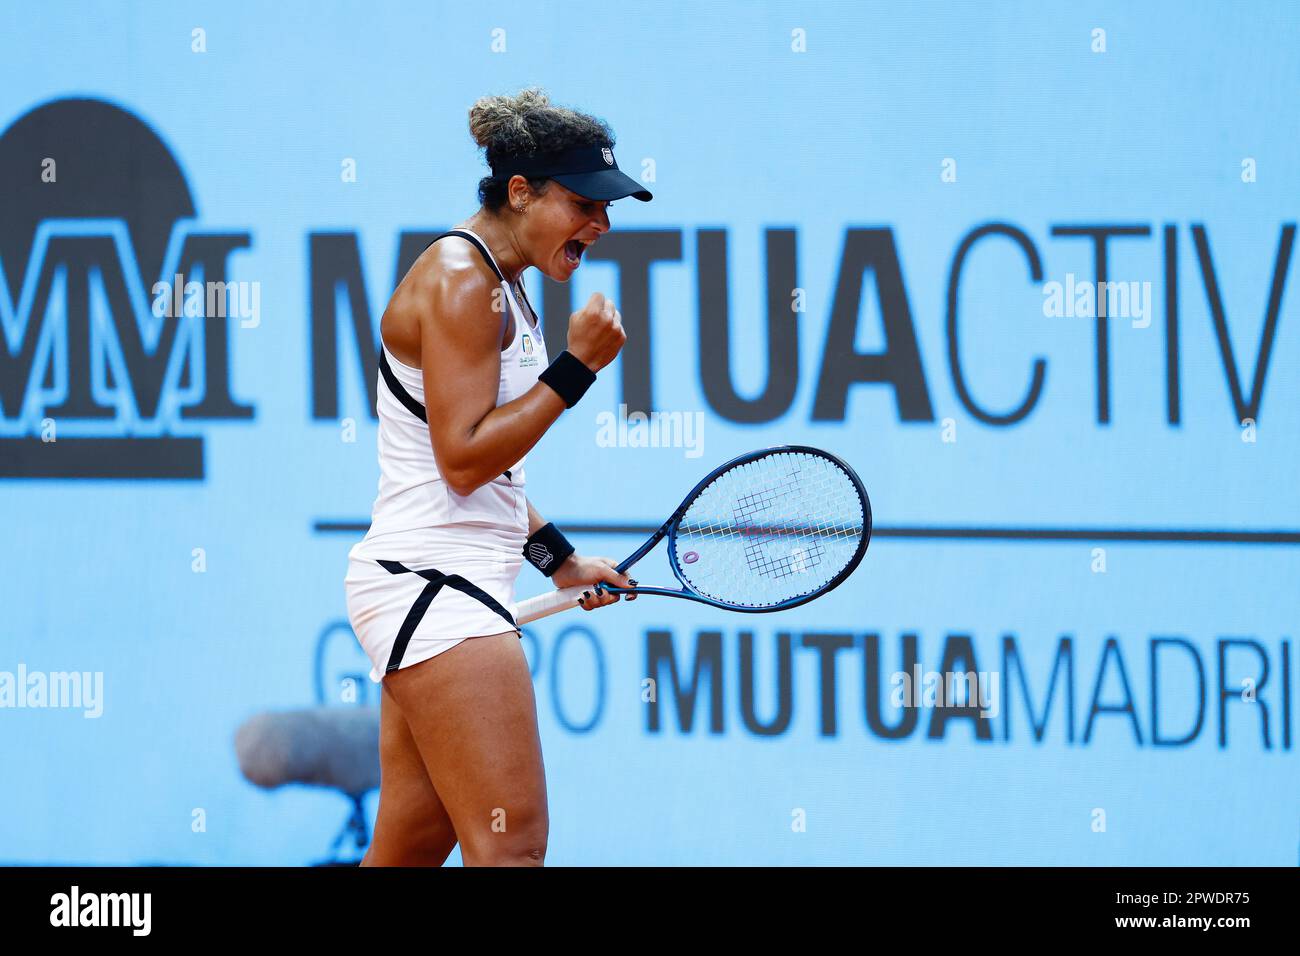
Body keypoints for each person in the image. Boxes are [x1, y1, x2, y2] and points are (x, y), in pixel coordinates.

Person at [344, 87, 653, 866]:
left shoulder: (503, 285)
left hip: (437, 580)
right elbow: (464, 457)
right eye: (586, 203)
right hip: (435, 585)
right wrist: (577, 369)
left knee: (406, 851)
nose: (602, 226)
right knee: (512, 851)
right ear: (522, 192)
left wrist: (559, 559)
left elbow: (493, 475)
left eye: (609, 209)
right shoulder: (459, 280)